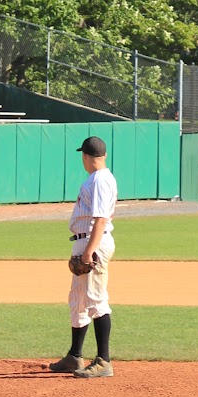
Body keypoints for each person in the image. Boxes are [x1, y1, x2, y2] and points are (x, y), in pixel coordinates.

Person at [50, 136, 117, 376]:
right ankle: (75, 356)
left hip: (92, 241)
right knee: (78, 299)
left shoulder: (99, 180)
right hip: (86, 240)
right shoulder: (99, 178)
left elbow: (100, 218)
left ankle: (104, 361)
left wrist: (89, 251)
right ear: (104, 155)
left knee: (96, 299)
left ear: (85, 157)